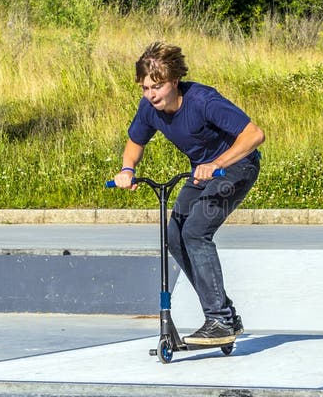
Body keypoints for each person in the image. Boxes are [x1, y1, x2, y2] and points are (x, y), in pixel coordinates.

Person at [113, 41, 265, 345]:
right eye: (145, 88)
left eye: (157, 87)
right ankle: (225, 314)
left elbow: (255, 135)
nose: (151, 95)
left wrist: (217, 162)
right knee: (174, 235)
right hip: (201, 172)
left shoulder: (204, 101)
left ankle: (218, 319)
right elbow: (135, 142)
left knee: (195, 231)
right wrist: (127, 169)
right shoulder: (149, 108)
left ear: (174, 81)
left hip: (236, 167)